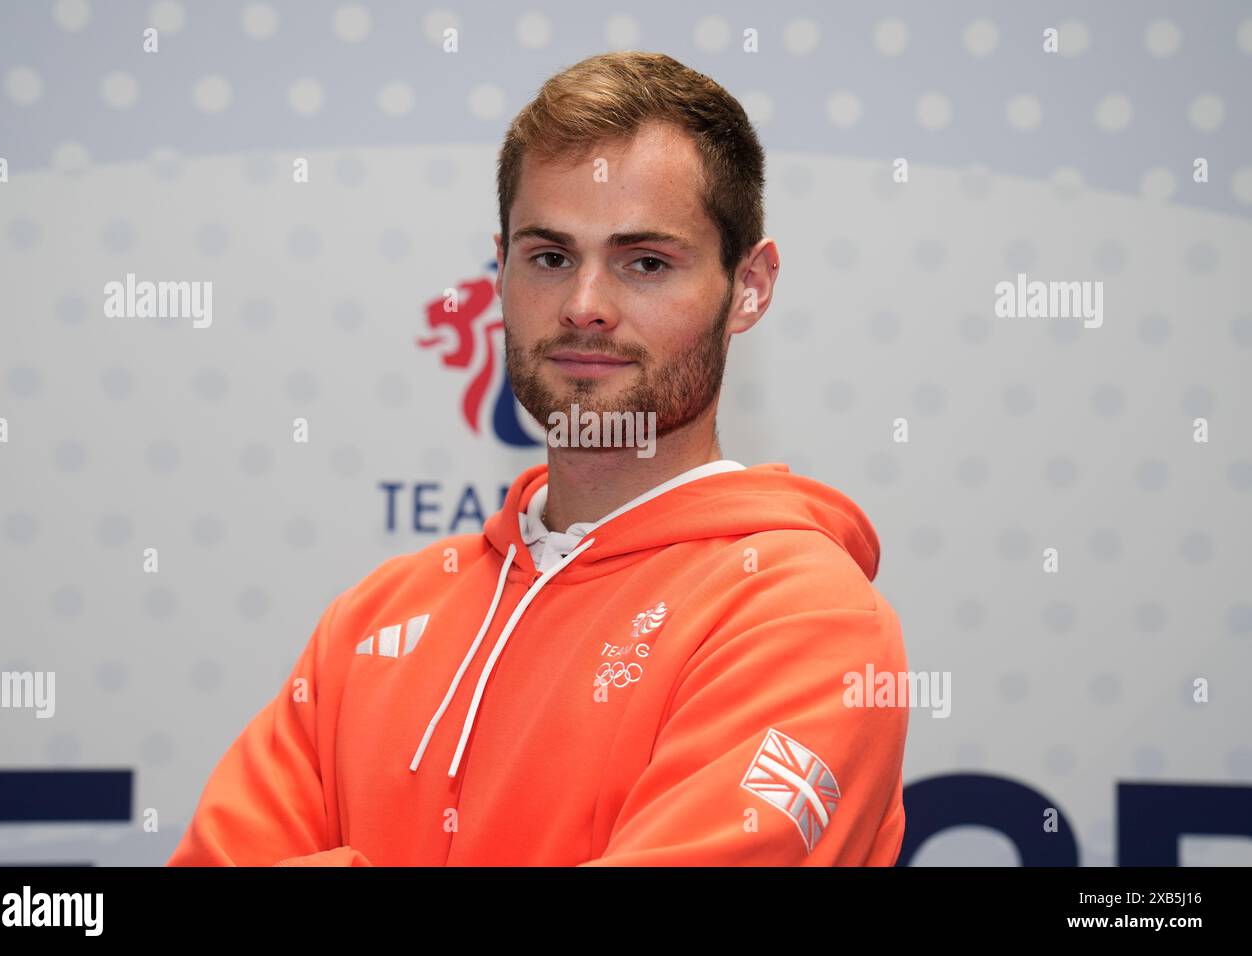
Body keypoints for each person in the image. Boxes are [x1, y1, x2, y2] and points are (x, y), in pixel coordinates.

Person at [167, 50, 908, 867]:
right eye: (550, 257)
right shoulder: (373, 623)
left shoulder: (807, 622)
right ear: (502, 269)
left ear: (750, 287)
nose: (584, 307)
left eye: (646, 263)